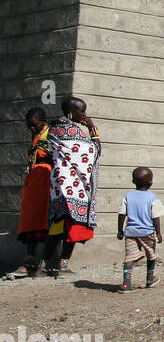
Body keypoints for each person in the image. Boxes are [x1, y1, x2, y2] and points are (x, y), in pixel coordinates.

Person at [44, 97, 101, 277]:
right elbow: (95, 151)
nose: (84, 114)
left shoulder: (54, 128)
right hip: (73, 186)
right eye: (81, 111)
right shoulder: (70, 131)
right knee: (74, 225)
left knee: (57, 226)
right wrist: (92, 127)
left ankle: (44, 264)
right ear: (70, 111)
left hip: (58, 185)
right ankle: (62, 266)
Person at [17, 107, 52, 277]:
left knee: (43, 220)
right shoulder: (36, 135)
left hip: (45, 182)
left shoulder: (50, 134)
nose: (31, 128)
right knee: (31, 219)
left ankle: (43, 263)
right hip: (34, 183)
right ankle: (29, 260)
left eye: (34, 125)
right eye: (29, 125)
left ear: (43, 122)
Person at [117, 166, 164, 290]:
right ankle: (150, 278)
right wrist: (158, 232)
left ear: (133, 181)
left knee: (129, 257)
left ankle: (126, 283)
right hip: (147, 232)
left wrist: (120, 230)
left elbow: (122, 214)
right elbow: (156, 217)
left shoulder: (127, 196)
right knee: (151, 255)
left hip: (131, 232)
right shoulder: (152, 197)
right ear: (150, 183)